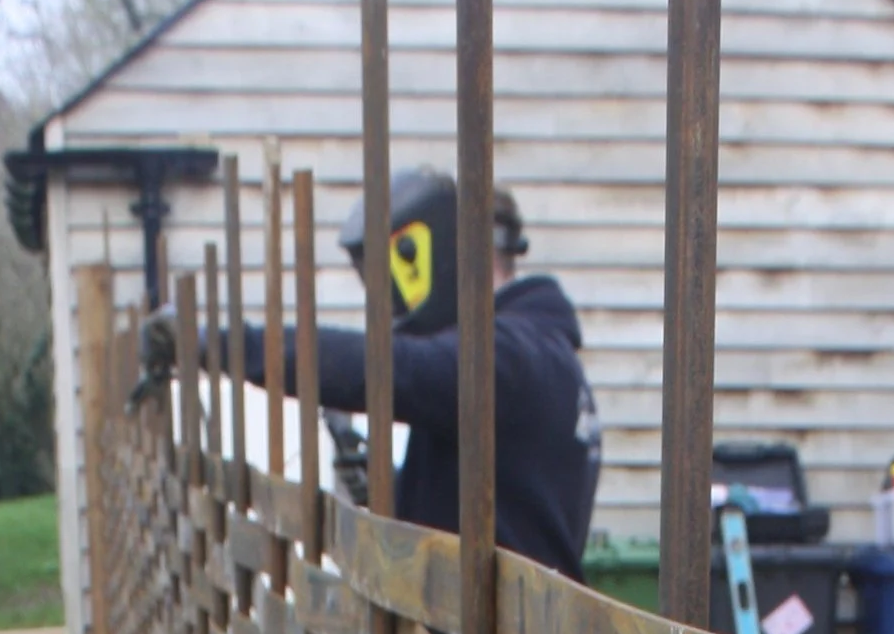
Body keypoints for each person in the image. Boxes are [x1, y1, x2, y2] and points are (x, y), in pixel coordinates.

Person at [134, 171, 600, 574]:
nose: (390, 305)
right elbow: (505, 514)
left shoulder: (513, 357)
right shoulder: (536, 356)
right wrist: (390, 486)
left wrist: (227, 344)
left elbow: (392, 368)